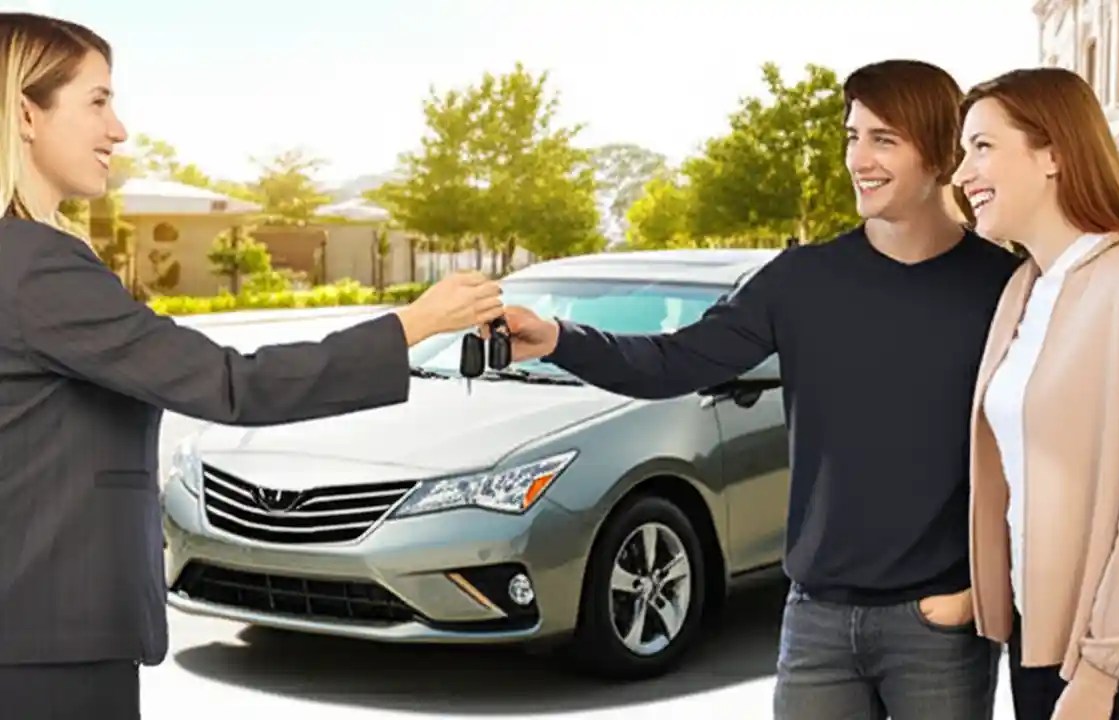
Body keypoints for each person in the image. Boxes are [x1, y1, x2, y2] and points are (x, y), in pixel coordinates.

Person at [0, 12, 504, 720]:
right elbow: (233, 383)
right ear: (26, 111)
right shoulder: (36, 268)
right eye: (98, 100)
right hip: (46, 649)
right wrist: (415, 324)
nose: (119, 130)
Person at [494, 60, 1021, 719]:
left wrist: (983, 590)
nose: (860, 158)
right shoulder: (801, 281)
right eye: (852, 135)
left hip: (939, 627)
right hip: (818, 623)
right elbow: (673, 362)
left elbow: (1045, 460)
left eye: (884, 139)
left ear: (944, 151)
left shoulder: (1004, 287)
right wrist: (556, 338)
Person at [951, 67, 1119, 720]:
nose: (962, 175)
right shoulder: (1024, 290)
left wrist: (1103, 671)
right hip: (1038, 647)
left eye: (982, 147)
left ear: (1053, 153)